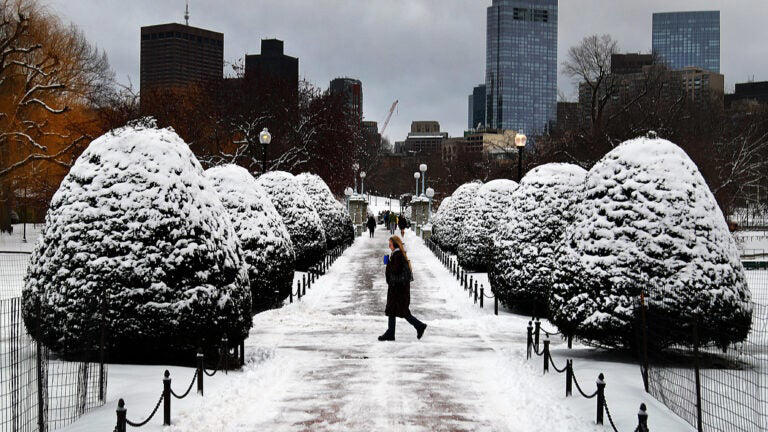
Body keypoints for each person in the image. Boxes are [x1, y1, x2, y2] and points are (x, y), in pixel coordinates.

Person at [379, 236, 427, 341]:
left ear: (395, 244)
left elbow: (395, 271)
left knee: (401, 311)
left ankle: (419, 326)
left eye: (390, 244)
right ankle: (392, 332)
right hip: (399, 289)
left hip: (398, 290)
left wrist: (387, 264)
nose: (389, 246)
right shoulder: (398, 254)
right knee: (396, 311)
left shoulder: (397, 256)